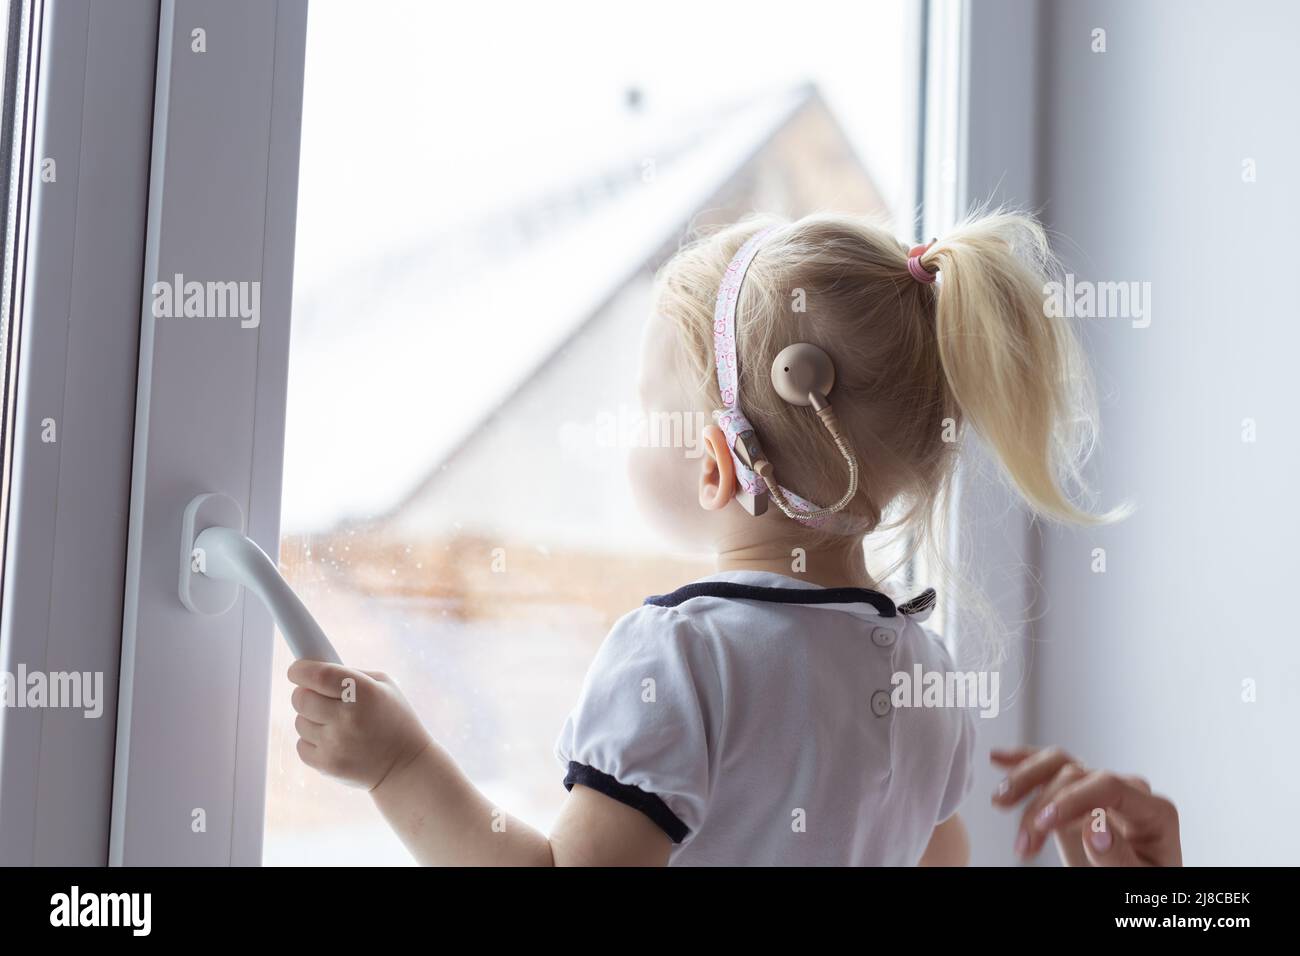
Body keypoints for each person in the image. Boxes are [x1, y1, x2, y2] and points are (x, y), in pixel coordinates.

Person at [287, 210, 1135, 865]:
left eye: (650, 409)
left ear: (716, 465)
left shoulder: (681, 657)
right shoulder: (926, 673)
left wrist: (398, 764)